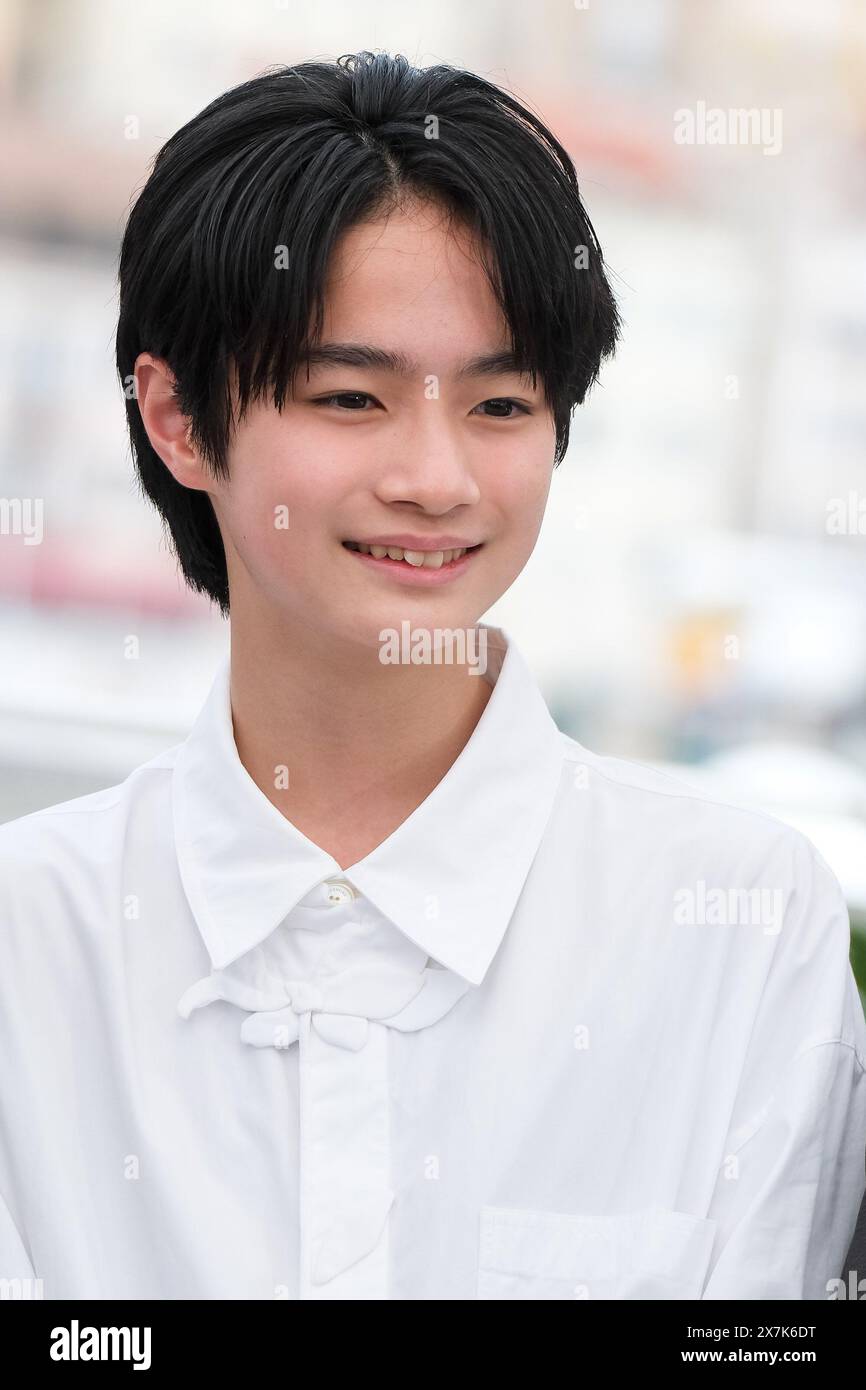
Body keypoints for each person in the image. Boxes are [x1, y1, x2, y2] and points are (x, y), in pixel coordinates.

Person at [0, 50, 864, 1302]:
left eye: (500, 405)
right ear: (178, 418)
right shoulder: (32, 942)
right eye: (351, 396)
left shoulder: (738, 924)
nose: (436, 477)